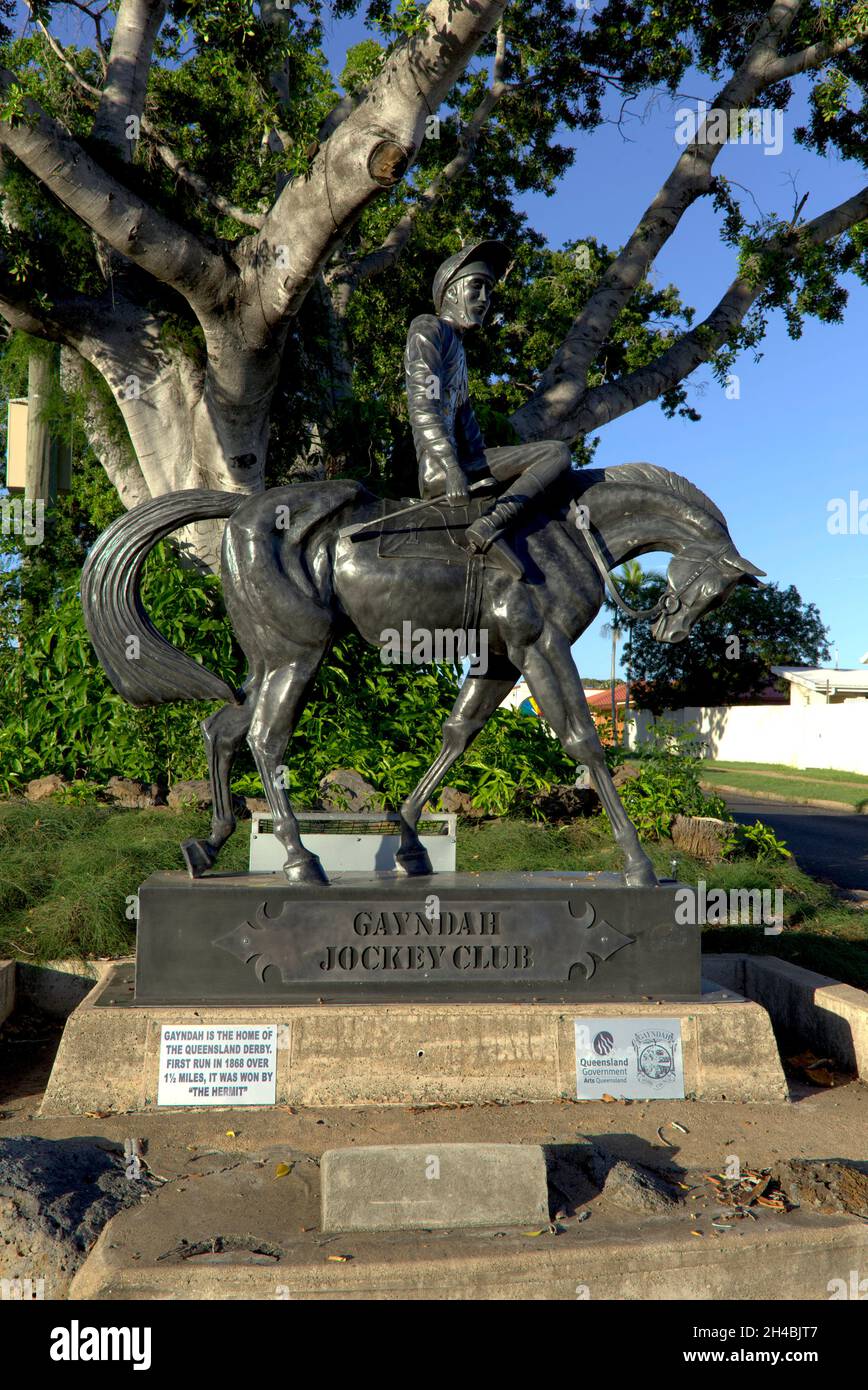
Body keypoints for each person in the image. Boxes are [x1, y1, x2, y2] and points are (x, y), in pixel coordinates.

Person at [404, 240, 571, 577]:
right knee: (556, 453)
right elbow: (423, 405)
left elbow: (468, 428)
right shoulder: (429, 329)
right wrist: (451, 468)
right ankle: (490, 525)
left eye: (489, 291)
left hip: (468, 465)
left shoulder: (459, 353)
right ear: (451, 293)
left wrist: (488, 469)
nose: (485, 300)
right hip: (444, 470)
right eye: (476, 287)